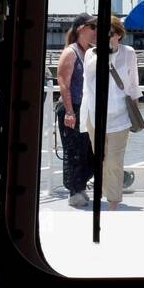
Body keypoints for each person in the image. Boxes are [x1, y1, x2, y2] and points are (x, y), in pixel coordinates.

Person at [81, 15, 141, 210]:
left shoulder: (128, 53)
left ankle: (113, 200)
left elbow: (132, 84)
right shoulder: (91, 54)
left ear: (119, 35)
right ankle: (105, 192)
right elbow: (88, 82)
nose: (105, 36)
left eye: (110, 33)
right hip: (95, 115)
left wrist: (135, 108)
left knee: (115, 160)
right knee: (101, 158)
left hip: (120, 115)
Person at [55, 13, 96, 206]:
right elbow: (63, 83)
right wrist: (70, 111)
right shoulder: (71, 52)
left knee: (90, 151)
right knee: (74, 151)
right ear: (81, 28)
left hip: (86, 108)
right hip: (73, 108)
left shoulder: (88, 51)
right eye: (93, 27)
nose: (96, 32)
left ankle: (80, 186)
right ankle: (74, 191)